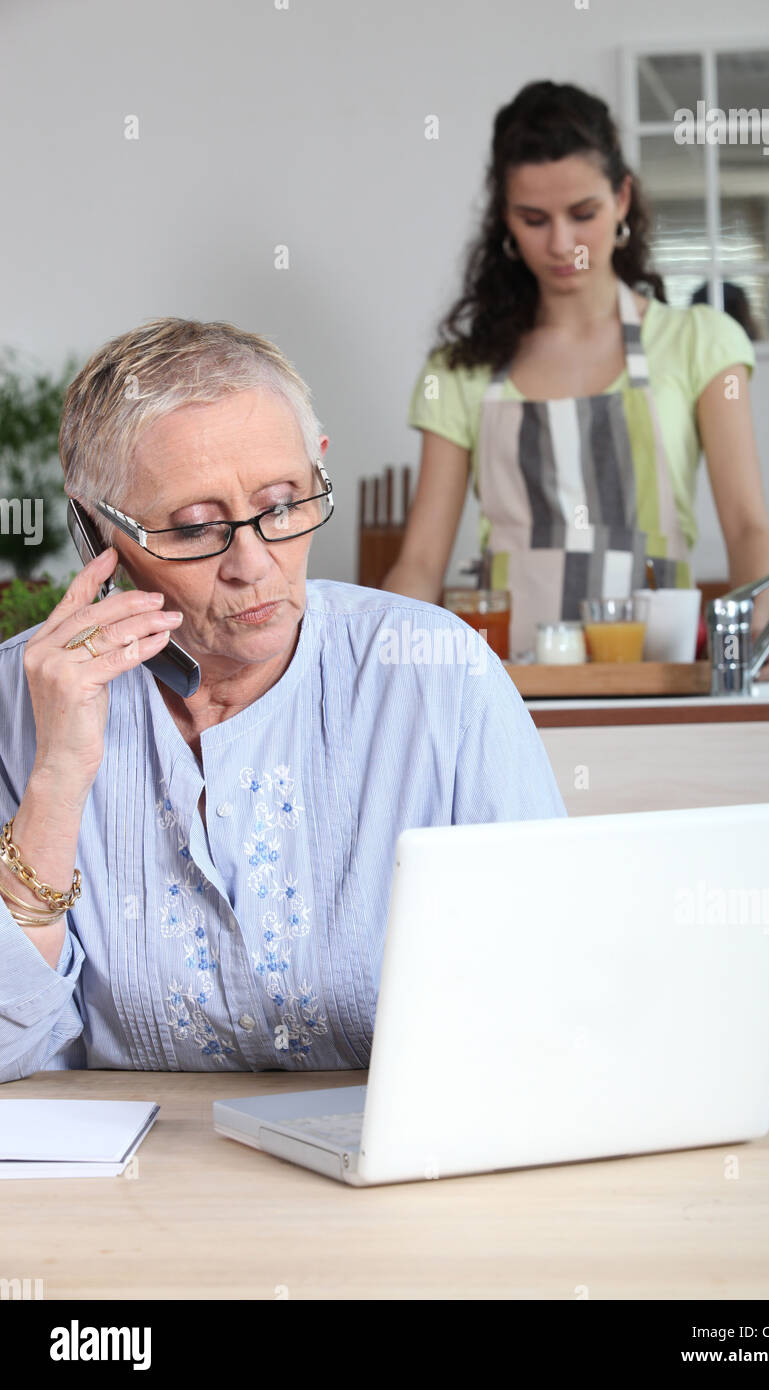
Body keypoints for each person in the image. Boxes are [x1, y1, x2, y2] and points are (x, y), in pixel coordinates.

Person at [0, 318, 566, 1082]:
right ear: (101, 527)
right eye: (197, 528)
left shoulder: (438, 674)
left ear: (316, 468)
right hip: (131, 1190)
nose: (256, 563)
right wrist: (59, 777)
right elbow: (11, 1054)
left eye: (282, 503)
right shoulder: (19, 697)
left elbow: (550, 997)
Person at [383, 80, 769, 677]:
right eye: (533, 219)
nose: (562, 244)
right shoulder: (458, 371)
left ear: (623, 198)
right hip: (504, 689)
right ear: (505, 219)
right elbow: (421, 562)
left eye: (583, 214)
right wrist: (389, 658)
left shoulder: (700, 343)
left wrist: (759, 631)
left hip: (660, 675)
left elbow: (747, 526)